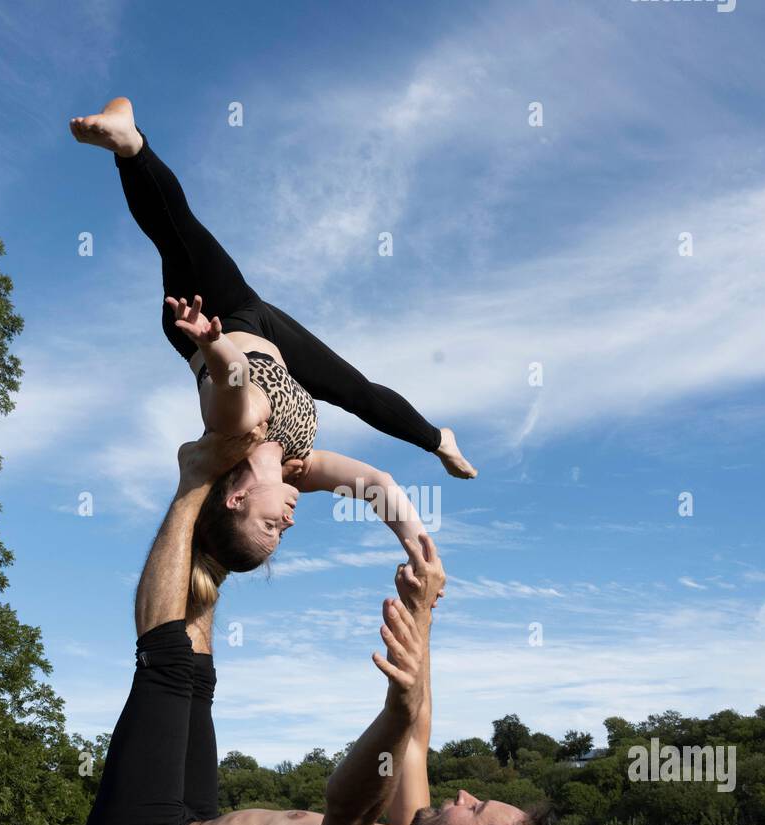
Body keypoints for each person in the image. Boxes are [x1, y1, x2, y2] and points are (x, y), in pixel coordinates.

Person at [76, 433, 557, 825]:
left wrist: (400, 705)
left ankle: (194, 481)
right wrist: (421, 611)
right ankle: (222, 522)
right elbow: (412, 745)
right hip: (194, 823)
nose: (465, 796)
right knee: (198, 680)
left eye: (475, 810)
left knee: (170, 665)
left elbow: (347, 806)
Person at [69, 98, 477, 584]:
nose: (289, 522)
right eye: (282, 533)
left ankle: (129, 143)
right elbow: (378, 486)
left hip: (214, 318)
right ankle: (438, 439)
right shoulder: (297, 470)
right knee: (359, 393)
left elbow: (234, 380)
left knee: (178, 235)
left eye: (270, 525)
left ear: (235, 498)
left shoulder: (233, 435)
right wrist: (420, 554)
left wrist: (211, 342)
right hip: (273, 336)